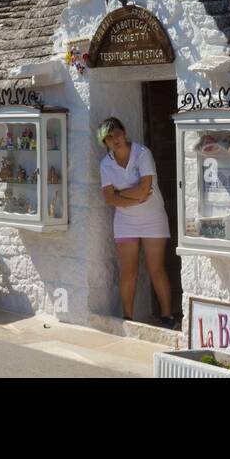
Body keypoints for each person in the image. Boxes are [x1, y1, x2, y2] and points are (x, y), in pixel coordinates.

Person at [98, 117, 175, 328]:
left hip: (153, 218)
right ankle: (128, 318)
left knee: (155, 268)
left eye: (117, 133)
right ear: (105, 143)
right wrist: (132, 196)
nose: (115, 140)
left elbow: (145, 189)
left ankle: (167, 316)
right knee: (128, 271)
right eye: (109, 138)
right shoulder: (106, 164)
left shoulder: (142, 153)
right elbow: (109, 198)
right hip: (125, 222)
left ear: (125, 132)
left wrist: (121, 194)